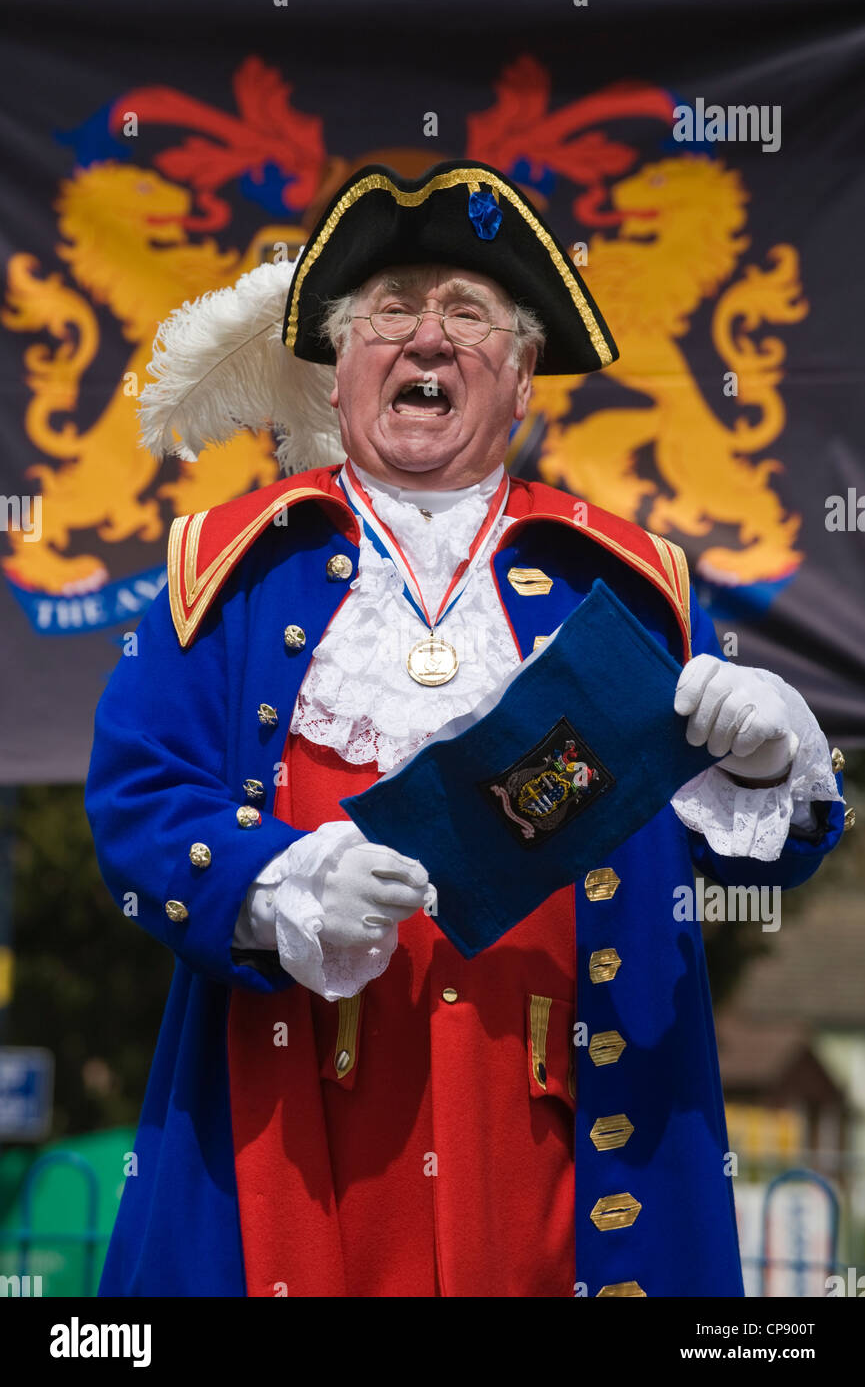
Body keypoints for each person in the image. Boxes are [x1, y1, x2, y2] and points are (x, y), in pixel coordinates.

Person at [85, 160, 846, 1298]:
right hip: (303, 1115)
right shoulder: (233, 574)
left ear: (525, 379)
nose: (427, 341)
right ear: (338, 372)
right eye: (391, 313)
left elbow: (748, 837)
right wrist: (278, 884)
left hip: (563, 1130)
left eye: (469, 316)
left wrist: (775, 759)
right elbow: (139, 806)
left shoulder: (627, 582)